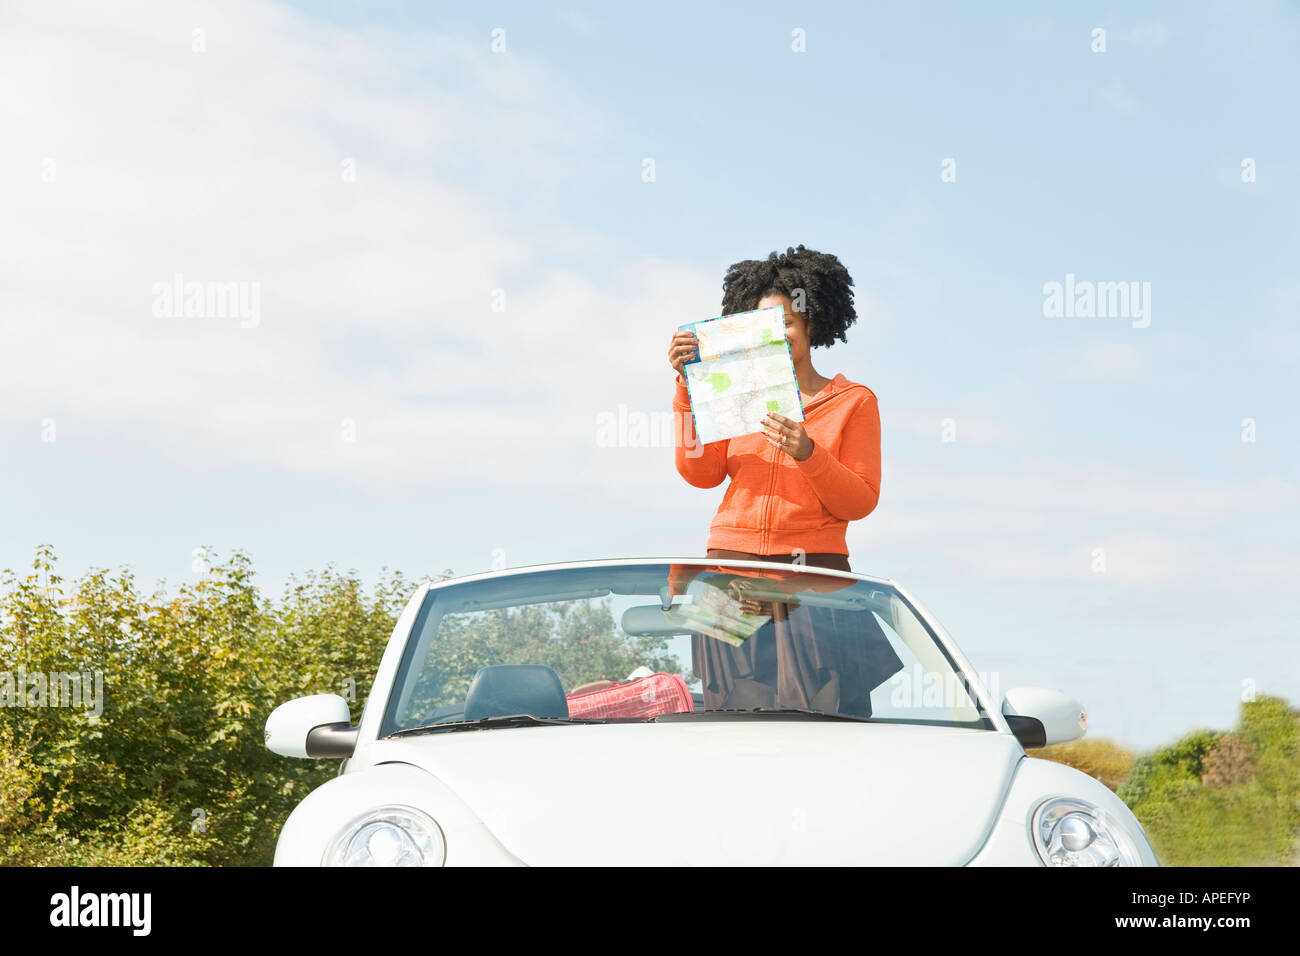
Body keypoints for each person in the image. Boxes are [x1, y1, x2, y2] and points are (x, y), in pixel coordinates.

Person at [668, 244, 897, 714]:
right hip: (726, 572)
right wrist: (686, 391)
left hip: (812, 574)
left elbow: (859, 501)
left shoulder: (854, 401)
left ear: (814, 324)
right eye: (761, 327)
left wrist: (809, 453)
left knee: (821, 715)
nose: (775, 336)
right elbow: (700, 473)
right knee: (731, 717)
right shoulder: (727, 391)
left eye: (787, 323)